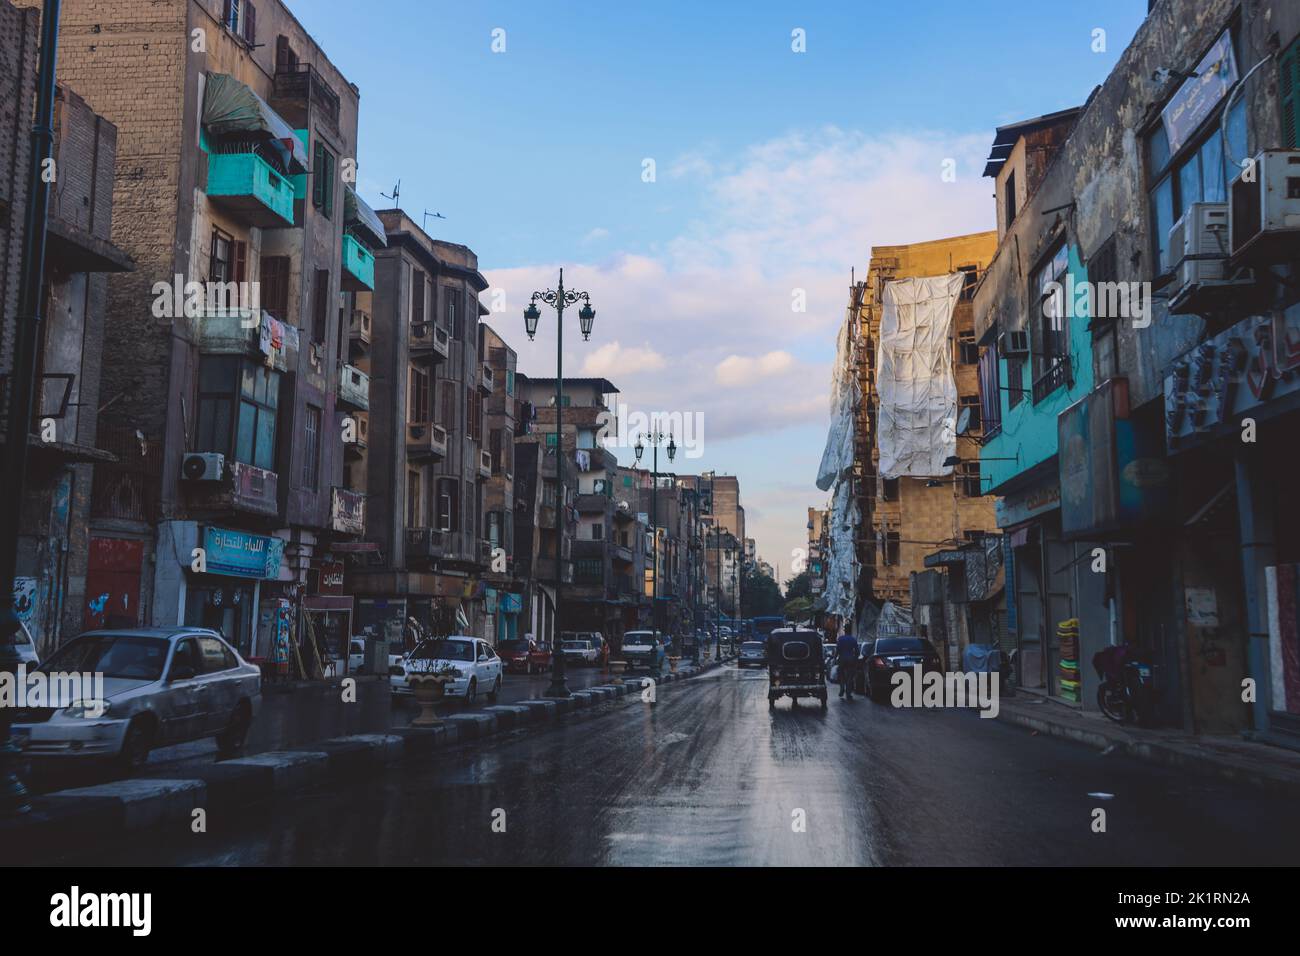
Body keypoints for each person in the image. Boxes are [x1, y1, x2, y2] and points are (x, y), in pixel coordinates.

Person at [835, 630, 859, 700]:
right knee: (850, 676)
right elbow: (857, 651)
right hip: (851, 659)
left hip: (842, 659)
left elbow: (837, 649)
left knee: (841, 674)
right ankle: (848, 693)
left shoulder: (840, 639)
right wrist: (855, 658)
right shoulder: (853, 639)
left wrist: (835, 658)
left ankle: (842, 688)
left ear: (845, 630)